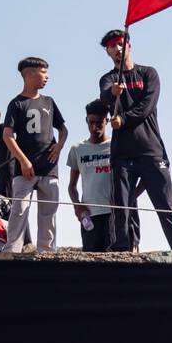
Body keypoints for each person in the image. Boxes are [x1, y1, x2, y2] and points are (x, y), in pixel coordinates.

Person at [98, 29, 172, 250]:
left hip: (151, 148)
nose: (117, 49)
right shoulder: (108, 79)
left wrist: (124, 118)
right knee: (121, 203)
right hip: (122, 153)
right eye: (112, 46)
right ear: (108, 52)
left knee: (164, 199)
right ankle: (121, 245)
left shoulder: (149, 73)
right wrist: (112, 92)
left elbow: (147, 106)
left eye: (121, 44)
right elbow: (104, 94)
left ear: (129, 45)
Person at [2, 57, 67, 253]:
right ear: (29, 74)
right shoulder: (16, 104)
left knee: (49, 212)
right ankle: (12, 249)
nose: (47, 77)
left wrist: (59, 146)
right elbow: (7, 135)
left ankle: (46, 251)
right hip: (25, 169)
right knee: (19, 209)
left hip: (49, 166)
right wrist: (23, 160)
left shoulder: (49, 101)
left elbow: (63, 129)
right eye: (43, 73)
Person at [67, 100, 114, 253]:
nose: (94, 127)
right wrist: (77, 205)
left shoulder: (116, 146)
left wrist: (129, 198)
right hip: (90, 216)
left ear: (106, 121)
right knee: (92, 265)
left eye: (99, 123)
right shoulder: (77, 149)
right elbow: (72, 186)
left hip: (113, 214)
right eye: (91, 122)